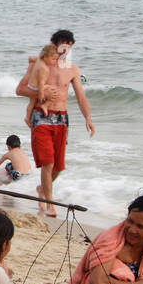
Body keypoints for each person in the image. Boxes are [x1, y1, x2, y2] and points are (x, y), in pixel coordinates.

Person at [15, 29, 94, 216]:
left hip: (61, 118)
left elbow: (81, 97)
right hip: (41, 116)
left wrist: (88, 118)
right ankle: (49, 203)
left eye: (69, 44)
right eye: (62, 43)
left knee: (58, 166)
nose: (65, 48)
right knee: (48, 162)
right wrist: (41, 94)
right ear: (54, 43)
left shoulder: (73, 69)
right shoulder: (40, 65)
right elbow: (20, 89)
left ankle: (42, 189)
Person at [19, 43, 59, 129]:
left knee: (31, 103)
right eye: (53, 59)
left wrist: (31, 60)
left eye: (56, 59)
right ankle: (45, 105)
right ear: (45, 57)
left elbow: (31, 58)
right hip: (37, 87)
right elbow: (41, 83)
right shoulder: (45, 69)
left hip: (31, 85)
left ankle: (27, 117)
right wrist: (41, 94)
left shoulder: (38, 61)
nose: (55, 61)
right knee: (54, 90)